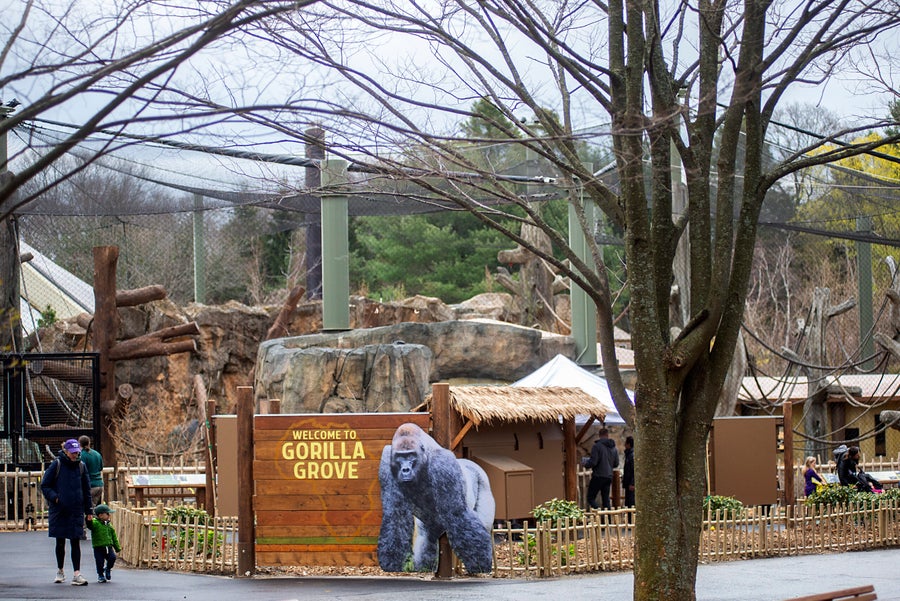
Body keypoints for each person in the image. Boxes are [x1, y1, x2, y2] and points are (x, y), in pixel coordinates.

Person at [40, 438, 94, 586]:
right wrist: (55, 498)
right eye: (72, 452)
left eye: (77, 452)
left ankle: (77, 573)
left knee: (76, 541)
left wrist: (89, 510)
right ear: (66, 451)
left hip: (76, 509)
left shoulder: (81, 466)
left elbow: (86, 490)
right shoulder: (57, 464)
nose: (75, 455)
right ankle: (60, 570)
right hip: (60, 510)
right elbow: (45, 485)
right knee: (60, 541)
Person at [583, 428, 619, 510]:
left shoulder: (597, 446)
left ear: (599, 435)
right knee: (606, 499)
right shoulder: (614, 448)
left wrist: (586, 464)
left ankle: (598, 511)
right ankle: (608, 519)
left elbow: (593, 462)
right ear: (607, 435)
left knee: (590, 498)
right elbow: (616, 464)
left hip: (598, 476)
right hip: (609, 476)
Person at [86, 503, 121, 583]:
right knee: (99, 562)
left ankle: (108, 568)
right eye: (107, 514)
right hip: (98, 547)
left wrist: (117, 547)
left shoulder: (109, 525)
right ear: (101, 515)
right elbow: (90, 525)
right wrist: (88, 520)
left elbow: (113, 536)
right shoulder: (95, 523)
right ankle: (100, 575)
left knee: (112, 558)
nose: (109, 515)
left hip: (108, 546)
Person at [78, 435, 104, 506]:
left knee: (86, 508)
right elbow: (101, 468)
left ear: (79, 444)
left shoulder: (82, 455)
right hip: (99, 485)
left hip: (90, 486)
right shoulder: (97, 454)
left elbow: (81, 470)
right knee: (93, 507)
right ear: (89, 443)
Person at [623, 436, 635, 508]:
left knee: (631, 502)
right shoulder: (628, 455)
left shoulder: (631, 455)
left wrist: (632, 483)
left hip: (630, 483)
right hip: (628, 483)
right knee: (628, 502)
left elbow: (633, 470)